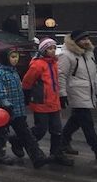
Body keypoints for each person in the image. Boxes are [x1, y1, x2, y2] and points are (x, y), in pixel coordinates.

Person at [59, 30, 97, 161]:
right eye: (83, 39)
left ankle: (62, 142)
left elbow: (94, 75)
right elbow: (61, 75)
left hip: (87, 92)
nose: (86, 41)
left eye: (87, 38)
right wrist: (62, 94)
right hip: (75, 92)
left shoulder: (89, 54)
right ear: (75, 41)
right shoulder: (66, 55)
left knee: (76, 120)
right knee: (87, 122)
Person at [0, 51, 49, 169]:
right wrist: (6, 104)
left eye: (16, 57)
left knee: (26, 133)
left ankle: (37, 156)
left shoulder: (14, 72)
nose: (15, 59)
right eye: (12, 57)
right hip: (6, 111)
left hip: (18, 109)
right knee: (1, 133)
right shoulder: (1, 73)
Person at [22, 38, 72, 166]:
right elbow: (27, 82)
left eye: (54, 48)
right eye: (50, 48)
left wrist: (61, 96)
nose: (53, 51)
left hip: (53, 102)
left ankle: (56, 153)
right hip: (41, 102)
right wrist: (27, 96)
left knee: (57, 130)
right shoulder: (38, 65)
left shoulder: (54, 63)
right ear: (43, 50)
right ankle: (20, 140)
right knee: (40, 129)